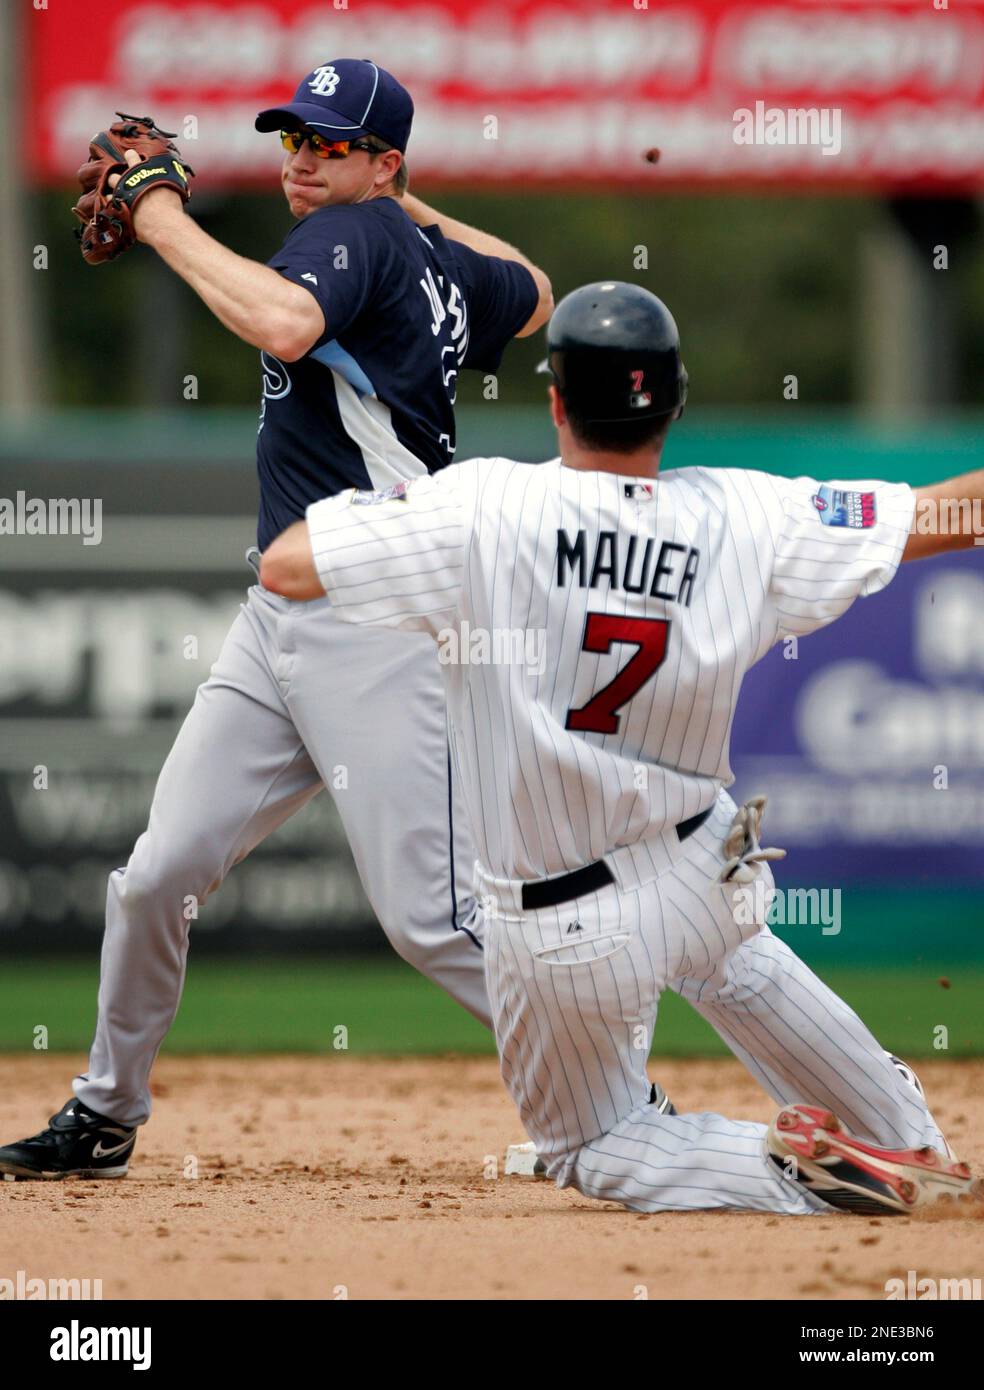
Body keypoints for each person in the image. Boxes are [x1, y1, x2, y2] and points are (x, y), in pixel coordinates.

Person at [253, 281, 979, 1215]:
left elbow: (288, 565)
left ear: (554, 400)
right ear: (677, 402)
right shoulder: (752, 516)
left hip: (563, 919)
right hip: (702, 868)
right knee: (738, 959)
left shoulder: (480, 506)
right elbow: (945, 515)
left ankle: (804, 1175)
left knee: (592, 1144)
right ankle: (904, 1144)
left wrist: (396, 502)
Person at [0, 58, 553, 1182]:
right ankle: (106, 1109)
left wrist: (158, 211)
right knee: (159, 872)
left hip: (373, 617)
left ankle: (610, 1081)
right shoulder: (416, 244)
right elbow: (536, 290)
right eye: (293, 138)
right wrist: (411, 198)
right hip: (283, 616)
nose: (302, 160)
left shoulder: (351, 240)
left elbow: (285, 324)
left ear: (379, 162)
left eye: (331, 145)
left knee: (433, 919)